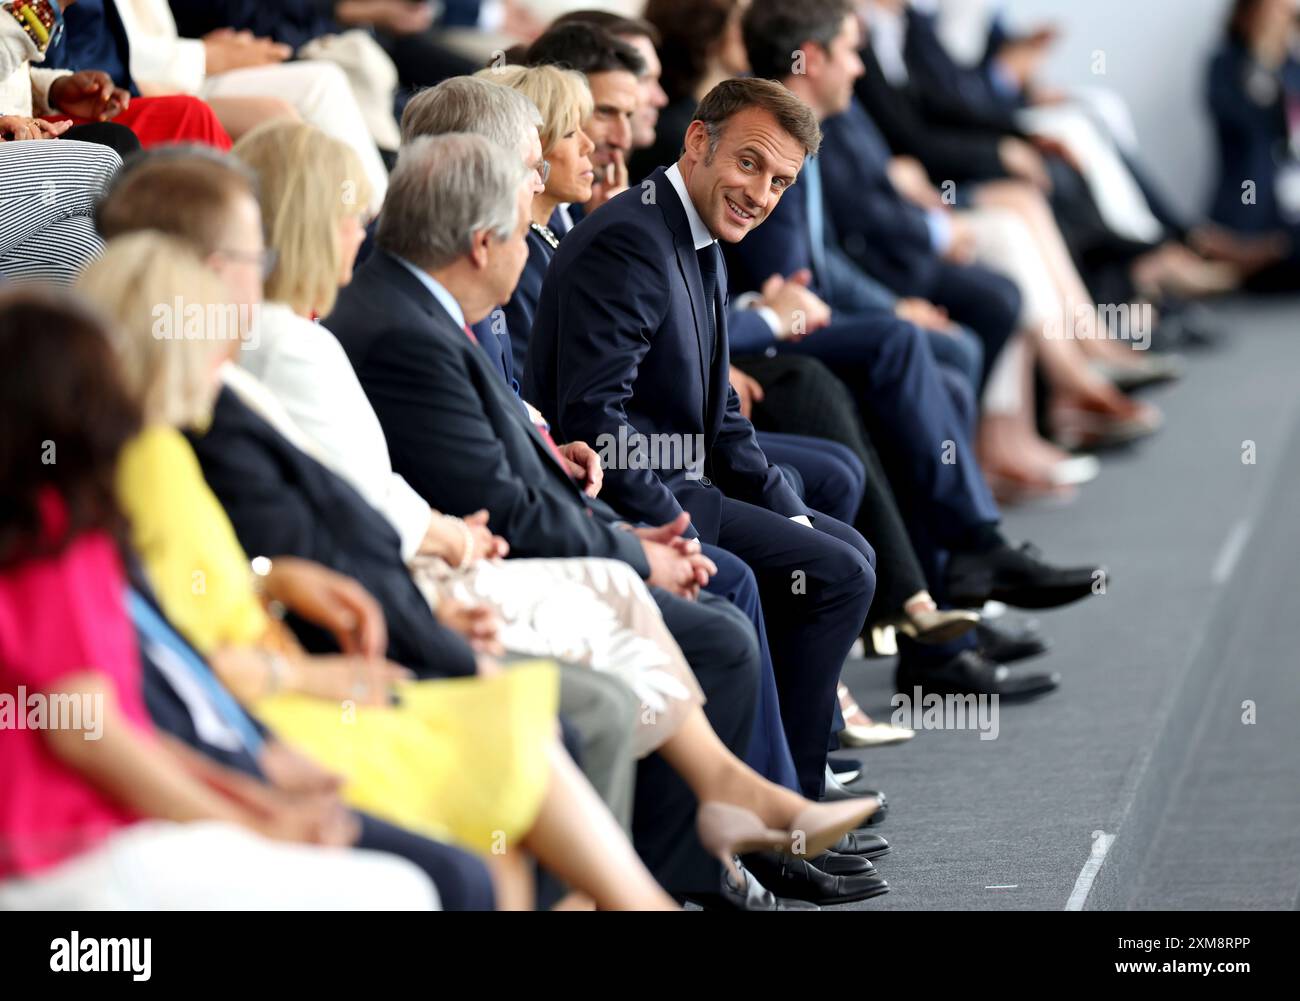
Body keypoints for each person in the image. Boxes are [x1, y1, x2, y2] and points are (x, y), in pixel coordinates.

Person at [326, 130, 884, 904]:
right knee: (727, 617)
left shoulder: (420, 306)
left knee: (820, 544)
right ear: (484, 244)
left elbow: (527, 440)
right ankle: (706, 858)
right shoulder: (405, 328)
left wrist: (569, 467)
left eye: (780, 179)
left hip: (566, 512)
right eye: (526, 237)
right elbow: (510, 492)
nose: (536, 258)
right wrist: (639, 542)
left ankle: (753, 810)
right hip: (480, 563)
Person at [79, 231, 686, 911]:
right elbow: (170, 646)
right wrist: (307, 670)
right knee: (515, 773)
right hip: (270, 705)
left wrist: (267, 576)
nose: (230, 340)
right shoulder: (152, 461)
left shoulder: (162, 447)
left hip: (299, 665)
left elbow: (197, 584)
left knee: (521, 780)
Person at [0, 288, 439, 910]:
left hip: (86, 845)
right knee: (403, 891)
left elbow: (126, 730)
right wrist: (257, 824)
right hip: (63, 864)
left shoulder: (60, 531)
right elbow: (92, 735)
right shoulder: (54, 539)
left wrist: (255, 803)